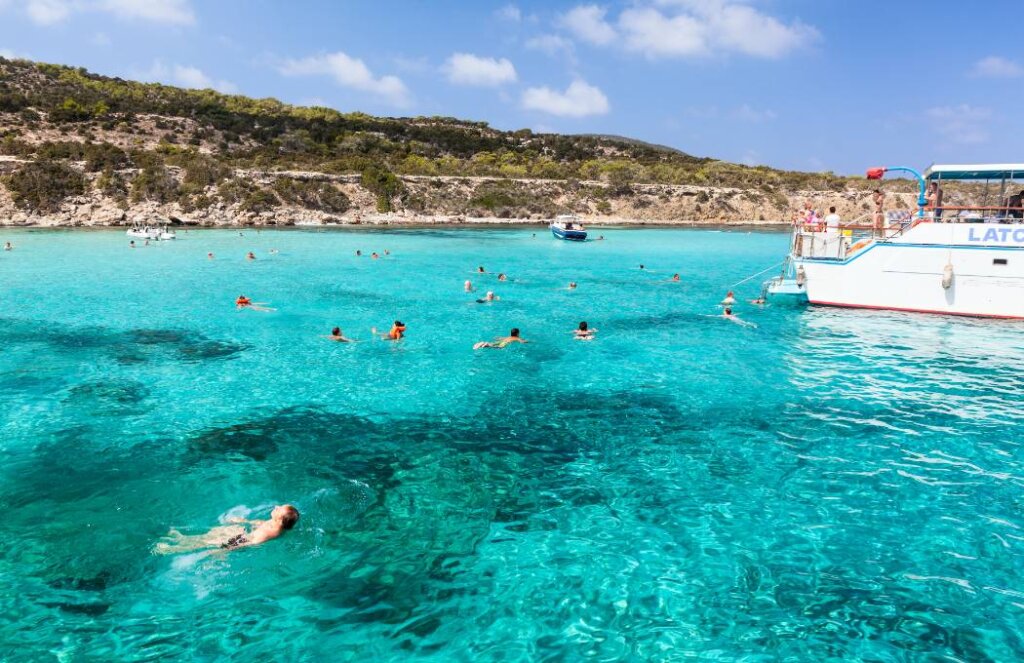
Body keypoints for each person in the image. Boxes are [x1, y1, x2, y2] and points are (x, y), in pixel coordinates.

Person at [154, 505, 300, 554]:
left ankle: (170, 549)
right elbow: (260, 523)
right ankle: (180, 538)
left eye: (279, 508)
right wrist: (244, 521)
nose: (275, 507)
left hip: (242, 539)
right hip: (243, 533)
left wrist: (226, 548)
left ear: (279, 520)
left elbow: (253, 542)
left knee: (208, 543)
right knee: (210, 535)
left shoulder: (271, 533)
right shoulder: (274, 523)